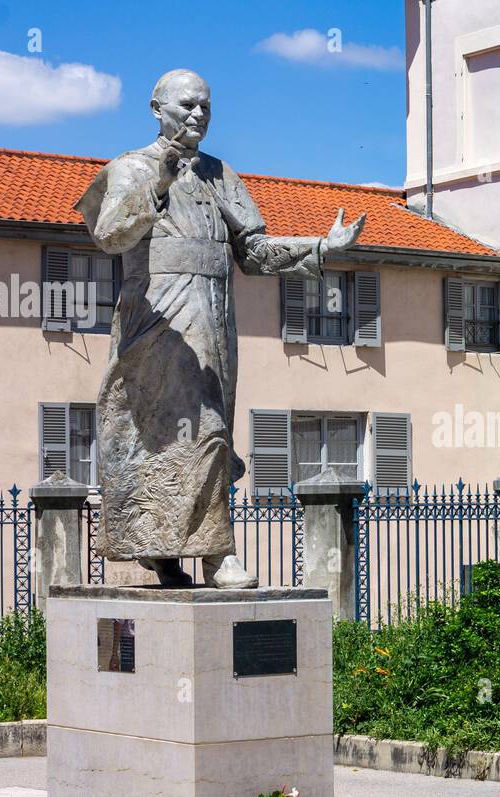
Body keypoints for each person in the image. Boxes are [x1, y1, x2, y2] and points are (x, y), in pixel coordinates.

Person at [75, 69, 364, 587]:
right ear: (156, 108)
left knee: (212, 429)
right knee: (166, 435)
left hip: (212, 316)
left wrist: (322, 248)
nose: (197, 115)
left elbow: (253, 251)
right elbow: (111, 235)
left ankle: (193, 549)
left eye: (206, 106)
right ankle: (202, 555)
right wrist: (158, 185)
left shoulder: (220, 174)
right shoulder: (130, 168)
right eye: (186, 105)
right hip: (156, 319)